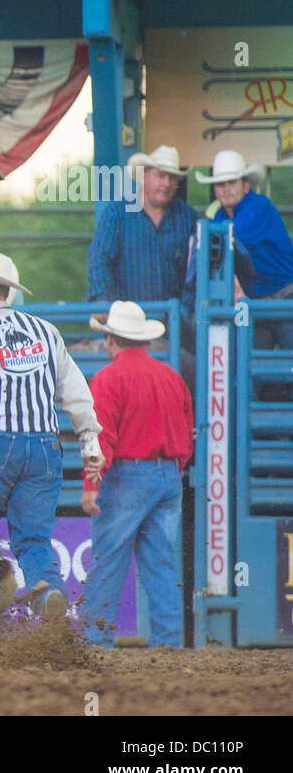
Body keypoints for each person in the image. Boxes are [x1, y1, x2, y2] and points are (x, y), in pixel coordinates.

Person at [0, 253, 104, 655]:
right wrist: (90, 441)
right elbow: (75, 393)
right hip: (45, 447)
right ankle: (48, 592)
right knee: (34, 539)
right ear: (11, 293)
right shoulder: (47, 331)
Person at [80, 301, 193, 649]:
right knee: (160, 562)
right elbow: (187, 430)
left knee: (108, 561)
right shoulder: (171, 377)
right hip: (168, 475)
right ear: (143, 341)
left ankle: (96, 642)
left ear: (111, 339)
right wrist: (175, 467)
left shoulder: (108, 379)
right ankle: (169, 643)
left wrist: (90, 486)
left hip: (127, 476)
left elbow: (102, 438)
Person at [195, 150, 293, 350]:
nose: (226, 189)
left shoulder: (259, 207)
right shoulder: (221, 217)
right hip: (256, 303)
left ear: (246, 185)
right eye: (221, 184)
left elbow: (231, 236)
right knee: (251, 361)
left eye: (232, 183)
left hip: (286, 297)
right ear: (215, 189)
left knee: (285, 362)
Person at [87, 145, 196, 303]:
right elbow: (99, 258)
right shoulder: (117, 213)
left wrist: (187, 308)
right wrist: (102, 298)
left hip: (174, 319)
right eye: (160, 176)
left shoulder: (187, 217)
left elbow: (196, 269)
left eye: (172, 178)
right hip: (127, 318)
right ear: (144, 176)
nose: (167, 183)